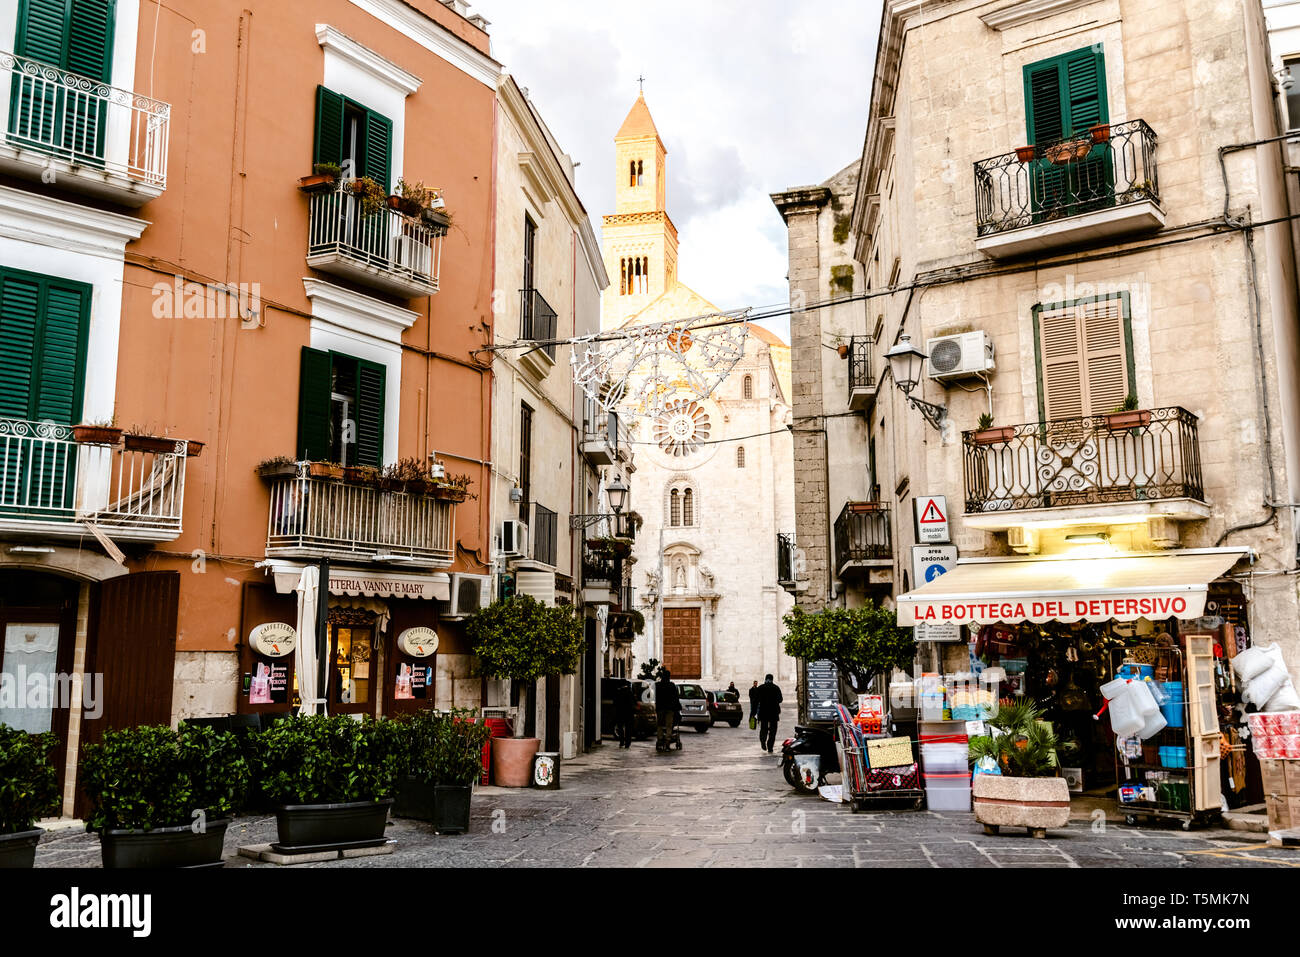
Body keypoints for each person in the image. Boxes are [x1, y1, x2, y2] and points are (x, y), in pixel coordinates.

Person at [754, 673, 784, 753]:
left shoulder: (760, 688)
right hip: (773, 713)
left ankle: (763, 742)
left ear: (765, 679)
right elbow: (780, 699)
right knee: (773, 731)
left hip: (763, 713)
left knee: (763, 729)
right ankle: (770, 746)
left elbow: (756, 700)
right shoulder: (776, 688)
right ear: (772, 679)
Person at [655, 668, 681, 751]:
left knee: (660, 725)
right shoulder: (672, 685)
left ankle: (660, 740)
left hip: (660, 708)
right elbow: (675, 697)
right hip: (670, 709)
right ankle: (667, 742)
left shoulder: (657, 685)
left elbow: (655, 696)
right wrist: (677, 707)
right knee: (669, 726)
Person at [613, 681, 634, 749]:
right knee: (628, 728)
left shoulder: (618, 692)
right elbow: (633, 703)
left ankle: (622, 741)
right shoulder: (630, 692)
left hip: (620, 712)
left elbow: (615, 703)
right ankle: (627, 743)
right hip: (628, 713)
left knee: (620, 727)